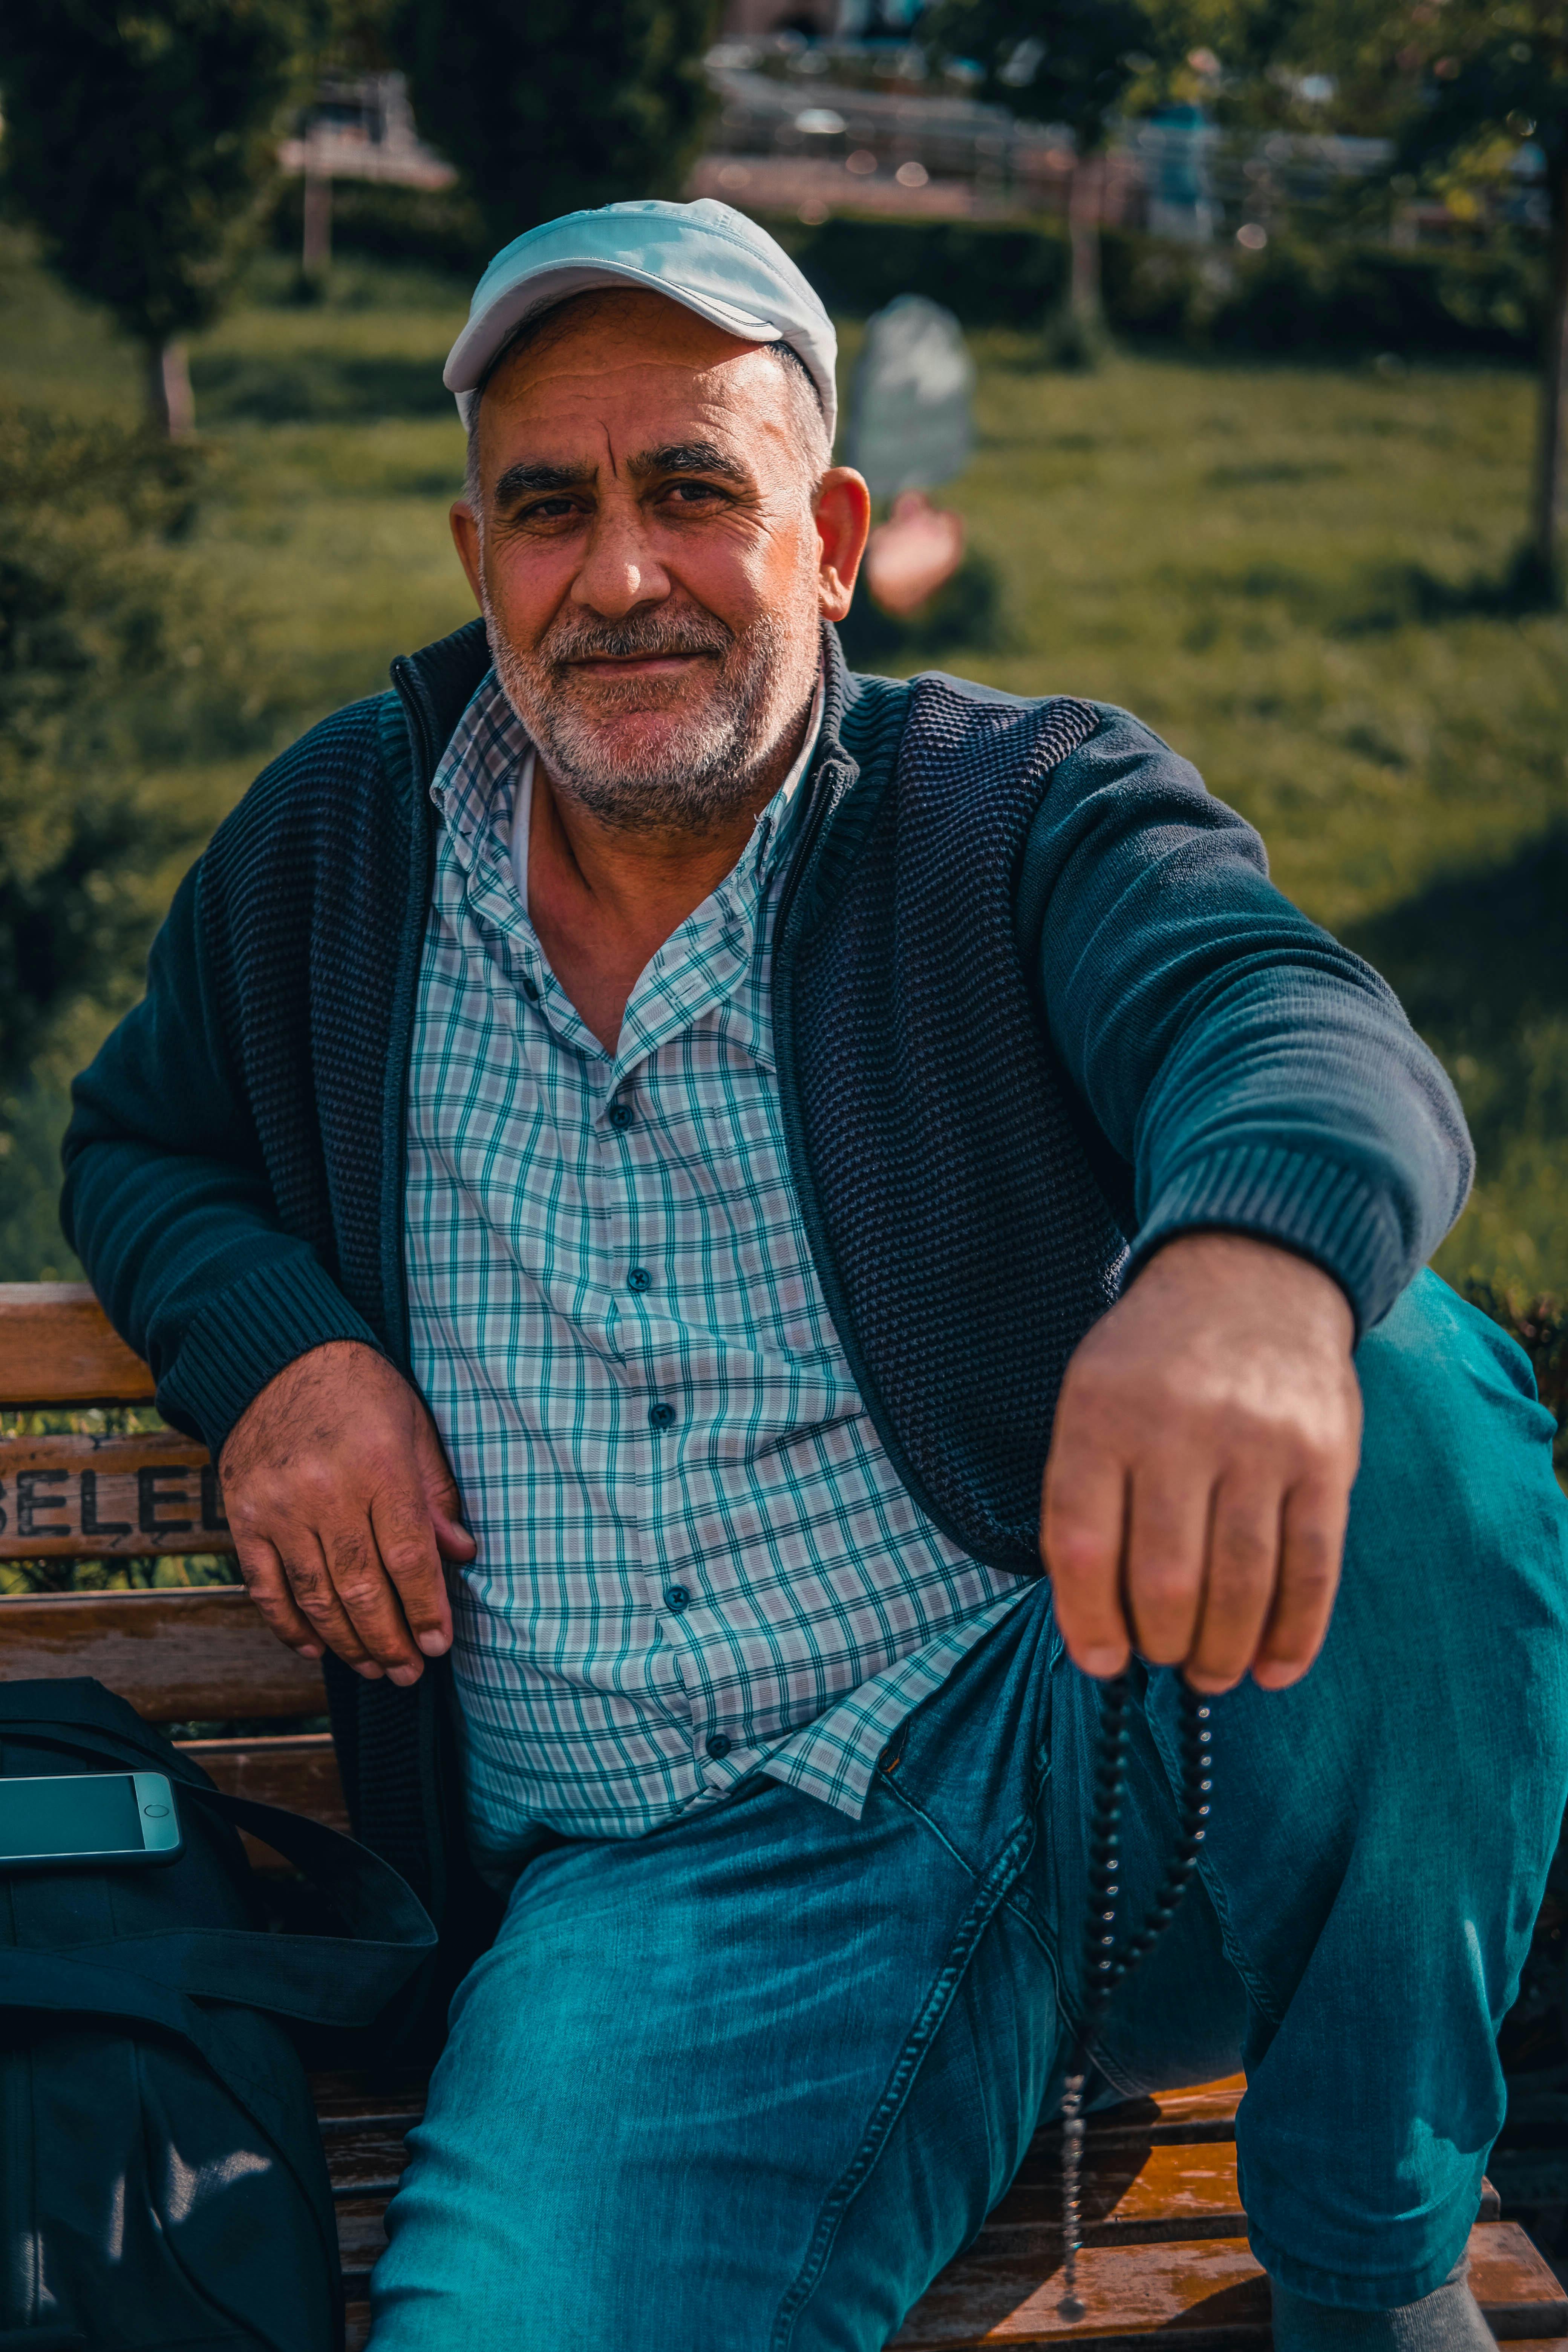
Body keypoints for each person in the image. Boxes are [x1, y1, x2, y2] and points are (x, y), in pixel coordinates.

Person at [61, 201, 1568, 2352]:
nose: (623, 574)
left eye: (695, 491)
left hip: (1097, 1728)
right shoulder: (332, 849)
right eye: (549, 509)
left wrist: (1244, 1266)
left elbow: (1284, 1015)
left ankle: (1372, 2270)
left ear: (835, 537)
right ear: (475, 554)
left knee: (1412, 1387)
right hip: (676, 1903)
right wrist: (283, 1352)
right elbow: (140, 1144)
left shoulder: (1012, 805)